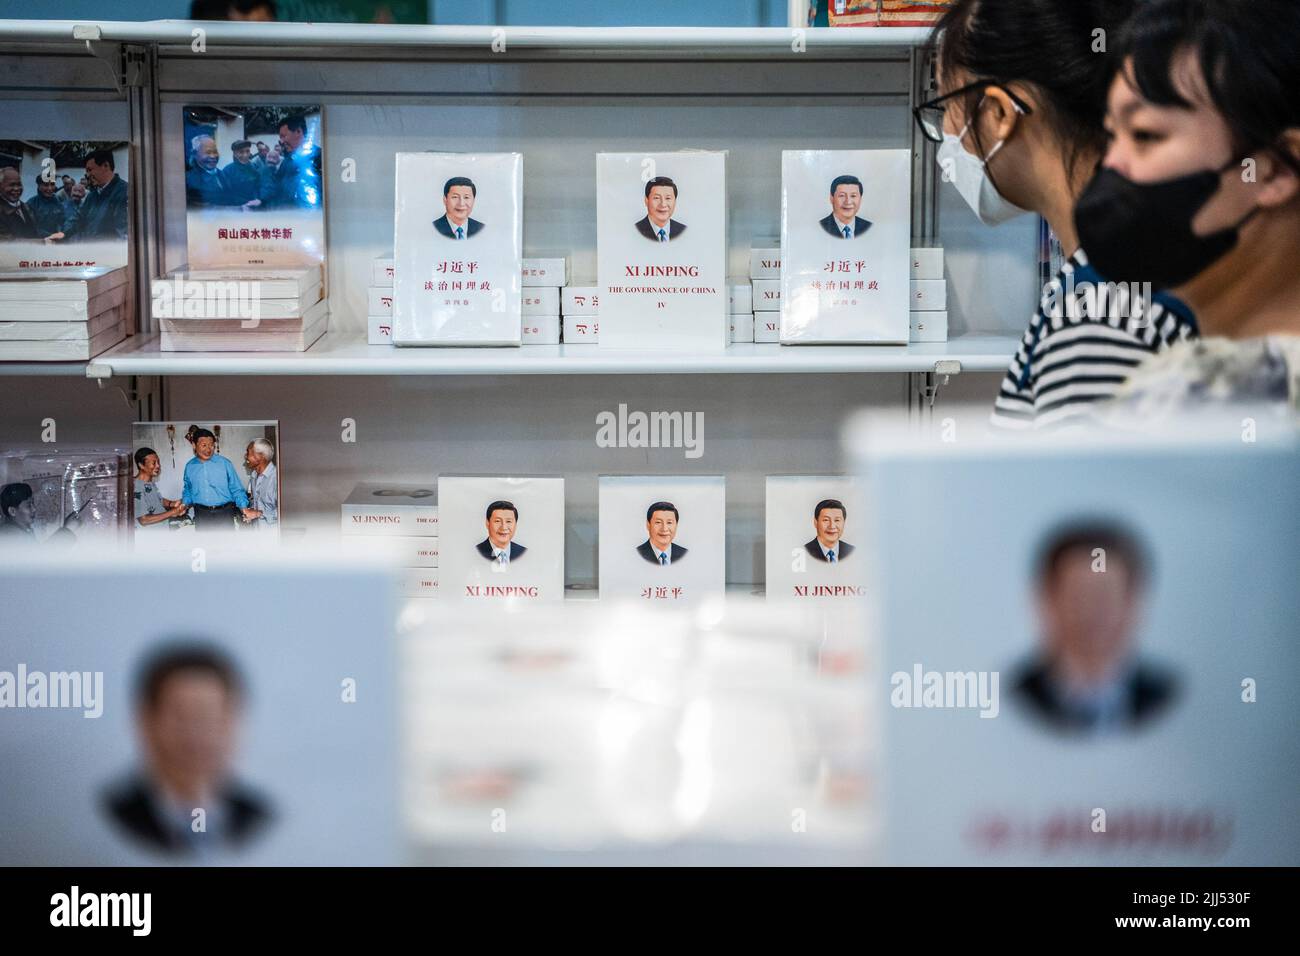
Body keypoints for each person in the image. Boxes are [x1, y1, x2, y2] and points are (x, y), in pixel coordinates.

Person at [917, 0, 1198, 430]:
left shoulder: (1099, 320)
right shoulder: (1142, 257)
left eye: (946, 107)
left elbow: (1088, 495)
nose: (949, 136)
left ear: (1000, 114)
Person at [1076, 0, 1300, 416]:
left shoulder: (1189, 403)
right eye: (1112, 137)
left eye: (1144, 135)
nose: (1111, 166)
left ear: (1273, 172)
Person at [101, 643, 271, 857]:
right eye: (182, 716)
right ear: (146, 722)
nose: (196, 734)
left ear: (234, 723)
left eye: (209, 716)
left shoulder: (259, 817)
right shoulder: (112, 816)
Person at [1012, 523, 1176, 735]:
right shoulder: (1018, 697)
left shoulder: (1162, 695)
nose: (1092, 613)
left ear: (1132, 604)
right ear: (1049, 602)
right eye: (1080, 596)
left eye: (1104, 597)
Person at [180, 428, 253, 531]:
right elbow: (188, 489)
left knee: (225, 545)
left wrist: (244, 509)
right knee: (204, 546)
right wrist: (184, 504)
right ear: (194, 445)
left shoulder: (225, 464)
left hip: (224, 513)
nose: (208, 449)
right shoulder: (190, 466)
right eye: (204, 445)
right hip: (201, 514)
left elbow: (236, 489)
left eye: (211, 445)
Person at [48, 149, 129, 242]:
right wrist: (63, 233)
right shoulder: (93, 194)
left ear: (105, 166)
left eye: (89, 170)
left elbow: (123, 238)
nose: (87, 175)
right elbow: (79, 217)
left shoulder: (124, 192)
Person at [260, 113, 321, 208]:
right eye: (280, 137)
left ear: (298, 131)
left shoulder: (319, 158)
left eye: (283, 136)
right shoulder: (286, 162)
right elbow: (276, 190)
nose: (281, 141)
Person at [0, 482, 79, 546]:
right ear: (12, 511)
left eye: (33, 503)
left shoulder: (18, 531)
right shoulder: (10, 535)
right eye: (28, 505)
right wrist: (68, 530)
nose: (34, 509)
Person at [133, 447, 187, 531]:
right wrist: (173, 512)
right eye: (153, 463)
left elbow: (158, 500)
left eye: (158, 462)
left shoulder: (149, 483)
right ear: (141, 465)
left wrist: (173, 504)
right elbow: (144, 520)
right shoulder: (136, 487)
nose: (158, 466)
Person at [635, 176, 686, 242]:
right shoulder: (636, 230)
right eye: (656, 198)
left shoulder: (683, 230)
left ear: (675, 201)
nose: (663, 204)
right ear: (646, 201)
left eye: (668, 198)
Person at [241, 439, 278, 529]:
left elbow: (286, 512)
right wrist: (250, 512)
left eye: (248, 452)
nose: (245, 456)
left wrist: (258, 513)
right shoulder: (254, 476)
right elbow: (256, 502)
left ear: (260, 456)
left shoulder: (277, 477)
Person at [804, 498, 854, 563]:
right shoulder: (804, 552)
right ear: (815, 523)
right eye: (826, 520)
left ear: (844, 522)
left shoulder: (851, 551)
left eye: (837, 520)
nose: (832, 526)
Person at [637, 501, 687, 565]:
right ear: (648, 525)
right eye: (658, 522)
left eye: (669, 523)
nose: (664, 529)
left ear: (676, 525)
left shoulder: (684, 554)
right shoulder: (637, 554)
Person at [476, 500, 525, 564]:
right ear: (487, 524)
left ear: (515, 525)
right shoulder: (476, 552)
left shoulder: (523, 552)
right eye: (497, 521)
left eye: (508, 521)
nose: (504, 527)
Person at [185, 135, 229, 206]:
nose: (213, 156)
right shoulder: (189, 180)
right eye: (208, 152)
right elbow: (204, 208)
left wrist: (247, 204)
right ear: (195, 154)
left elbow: (231, 196)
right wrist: (239, 209)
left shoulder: (222, 174)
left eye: (215, 152)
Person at [0, 166, 40, 240]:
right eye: (11, 185)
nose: (16, 189)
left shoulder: (26, 207)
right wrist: (43, 242)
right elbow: (8, 243)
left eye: (19, 184)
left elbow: (34, 232)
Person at [221, 140, 262, 208]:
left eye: (247, 151)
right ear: (235, 154)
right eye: (241, 152)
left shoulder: (255, 168)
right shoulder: (227, 171)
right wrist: (241, 206)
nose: (245, 155)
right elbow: (226, 194)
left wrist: (259, 199)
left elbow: (259, 186)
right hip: (237, 209)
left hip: (255, 207)